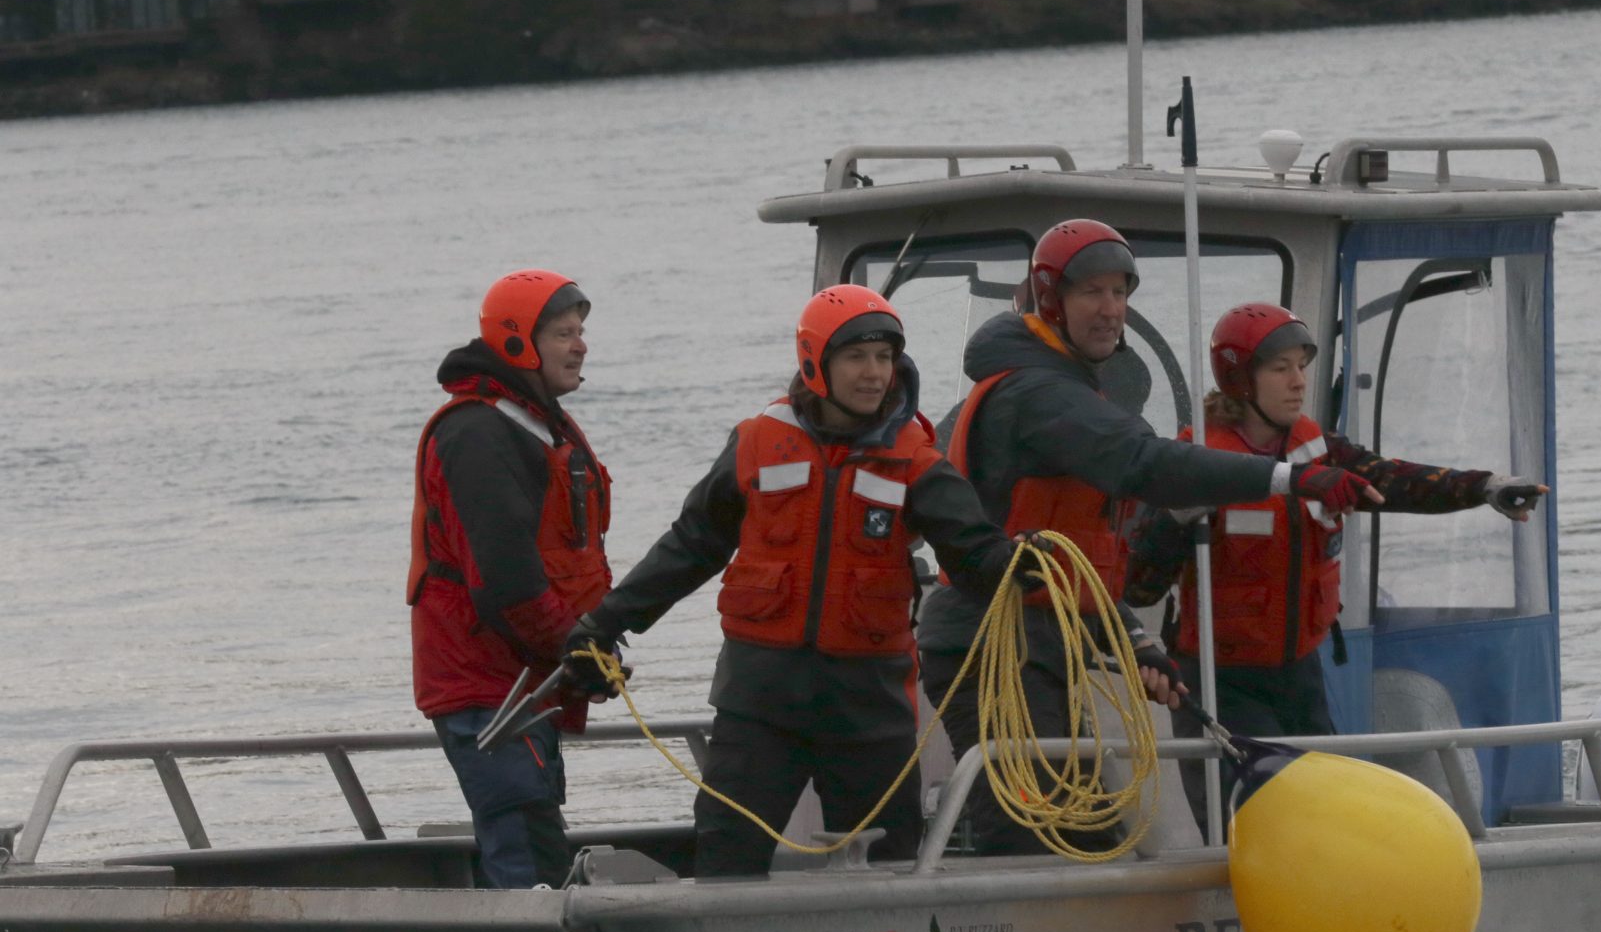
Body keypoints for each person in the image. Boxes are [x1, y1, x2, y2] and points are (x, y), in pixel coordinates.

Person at [915, 220, 1378, 855]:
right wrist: (1289, 478)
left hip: (1043, 639)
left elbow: (1074, 559)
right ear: (1051, 300)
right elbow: (1145, 463)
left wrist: (1135, 642)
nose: (1111, 309)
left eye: (1120, 292)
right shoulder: (1038, 392)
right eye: (1091, 292)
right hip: (992, 644)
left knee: (1084, 833)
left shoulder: (1063, 386)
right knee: (1034, 836)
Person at [562, 287, 1020, 878]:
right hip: (759, 702)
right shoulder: (757, 441)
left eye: (885, 357)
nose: (874, 373)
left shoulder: (914, 457)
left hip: (868, 709)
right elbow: (691, 545)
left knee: (889, 869)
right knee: (726, 857)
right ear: (814, 361)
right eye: (857, 357)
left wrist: (1018, 563)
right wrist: (604, 622)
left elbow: (975, 550)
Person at [1122, 301, 1547, 830]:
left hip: (1299, 678)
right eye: (1281, 368)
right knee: (1258, 824)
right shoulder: (1193, 463)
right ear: (1241, 380)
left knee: (1324, 822)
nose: (1299, 381)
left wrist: (1484, 487)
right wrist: (1175, 517)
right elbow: (1138, 587)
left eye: (1302, 366)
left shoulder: (1315, 450)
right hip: (1221, 683)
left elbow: (1393, 480)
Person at [408, 269, 612, 889]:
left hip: (524, 680)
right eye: (563, 334)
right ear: (519, 340)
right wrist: (576, 648)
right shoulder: (477, 433)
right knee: (527, 858)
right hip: (486, 686)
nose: (580, 346)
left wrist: (586, 645)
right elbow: (505, 580)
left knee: (536, 839)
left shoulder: (530, 423)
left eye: (580, 332)